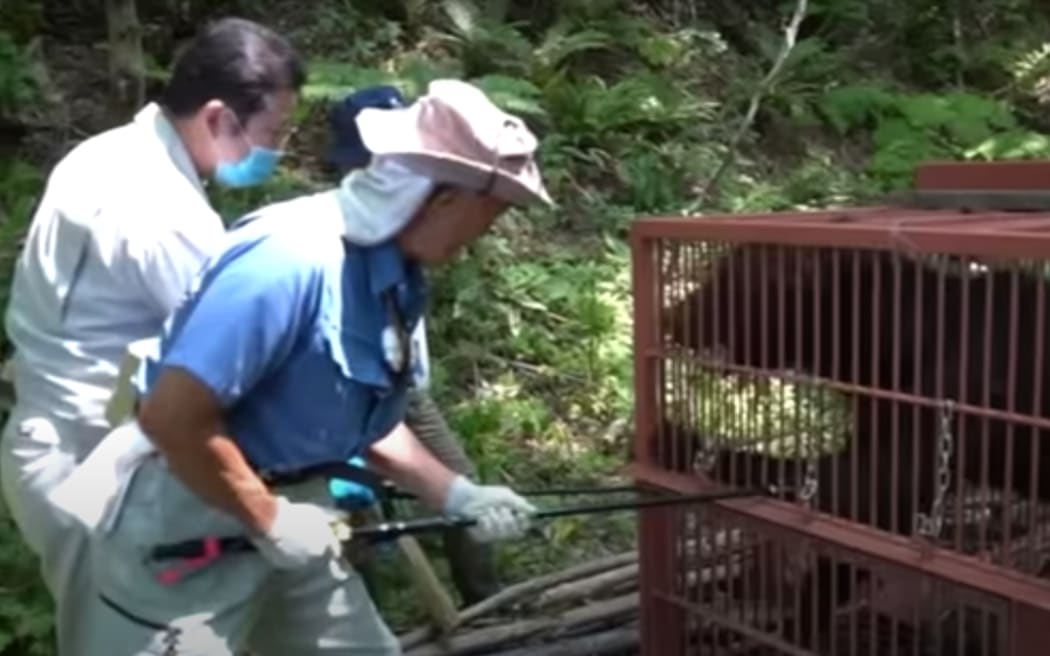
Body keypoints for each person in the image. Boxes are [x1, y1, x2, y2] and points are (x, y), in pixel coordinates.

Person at [76, 78, 552, 655]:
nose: (487, 235)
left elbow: (362, 419)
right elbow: (172, 418)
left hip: (297, 523)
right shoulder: (289, 261)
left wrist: (455, 494)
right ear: (443, 200)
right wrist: (269, 517)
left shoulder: (393, 274)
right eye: (491, 215)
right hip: (189, 524)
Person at [0, 17, 303, 654]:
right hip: (88, 465)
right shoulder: (160, 210)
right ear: (219, 117)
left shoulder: (110, 151)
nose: (275, 152)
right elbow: (234, 358)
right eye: (272, 133)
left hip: (62, 440)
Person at [325, 85, 502, 606]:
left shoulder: (423, 224)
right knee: (351, 530)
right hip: (340, 400)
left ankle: (489, 607)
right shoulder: (330, 236)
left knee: (462, 492)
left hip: (404, 394)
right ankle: (359, 625)